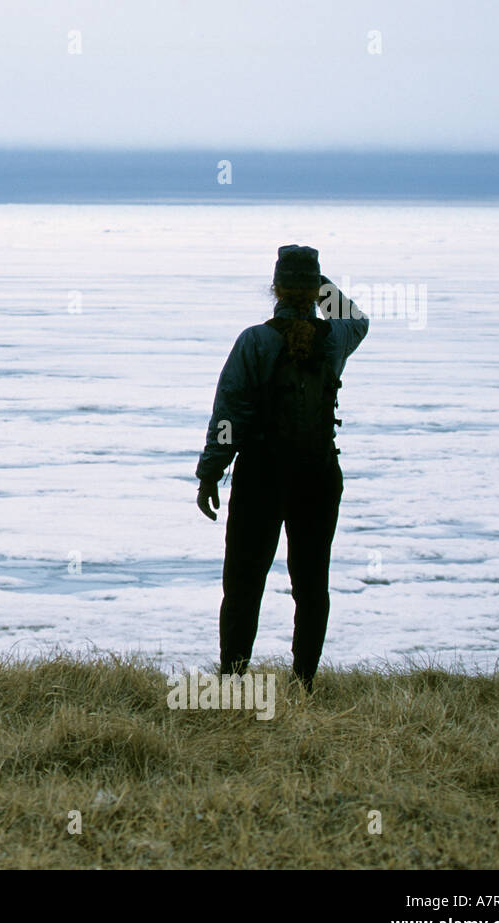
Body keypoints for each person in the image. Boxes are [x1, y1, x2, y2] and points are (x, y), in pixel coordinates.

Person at [194, 245, 368, 692]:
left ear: (275, 288)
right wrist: (320, 281)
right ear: (315, 291)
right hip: (318, 475)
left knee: (243, 582)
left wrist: (211, 471)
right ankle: (304, 682)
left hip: (262, 476)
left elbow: (229, 415)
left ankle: (233, 680)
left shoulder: (254, 340)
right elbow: (357, 320)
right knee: (311, 582)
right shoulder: (334, 340)